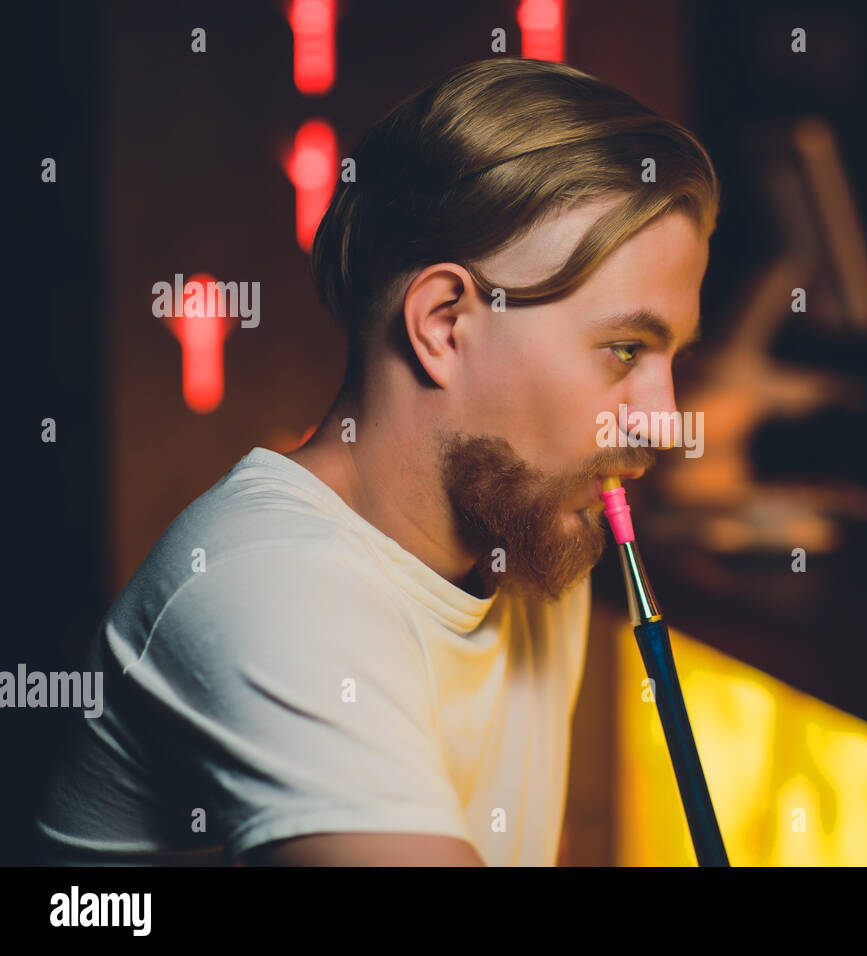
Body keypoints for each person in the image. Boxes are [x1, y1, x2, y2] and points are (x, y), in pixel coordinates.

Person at [34, 56, 719, 866]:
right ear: (442, 325)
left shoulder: (529, 535)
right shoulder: (271, 587)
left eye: (669, 357)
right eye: (624, 349)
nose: (666, 425)